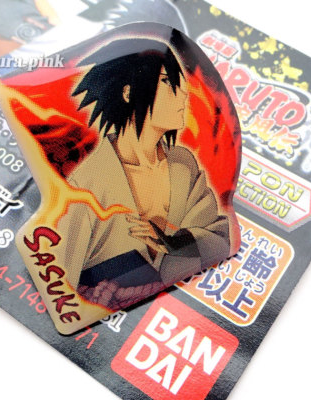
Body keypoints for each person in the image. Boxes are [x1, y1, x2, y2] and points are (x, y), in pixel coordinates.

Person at [57, 38, 230, 310]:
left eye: (181, 85)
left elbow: (220, 239)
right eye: (167, 82)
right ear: (128, 93)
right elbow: (60, 283)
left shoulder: (182, 164)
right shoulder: (88, 183)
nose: (183, 96)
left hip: (176, 305)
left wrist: (176, 240)